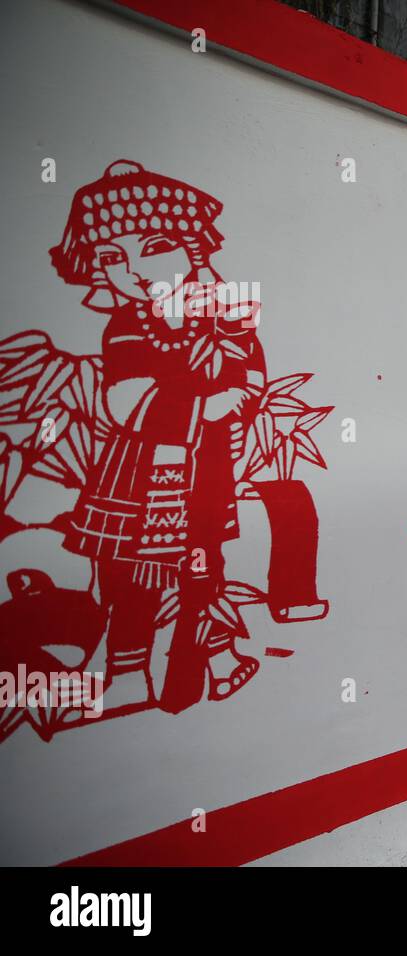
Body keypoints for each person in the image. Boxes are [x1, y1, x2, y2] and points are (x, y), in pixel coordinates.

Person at [50, 160, 262, 715]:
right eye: (113, 258)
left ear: (192, 250)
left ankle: (207, 661)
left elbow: (251, 374)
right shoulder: (125, 325)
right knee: (134, 580)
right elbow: (125, 400)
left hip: (207, 470)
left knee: (201, 569)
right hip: (138, 474)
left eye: (155, 246)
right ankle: (127, 674)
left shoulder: (219, 317)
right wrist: (204, 406)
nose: (136, 270)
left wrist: (237, 397)